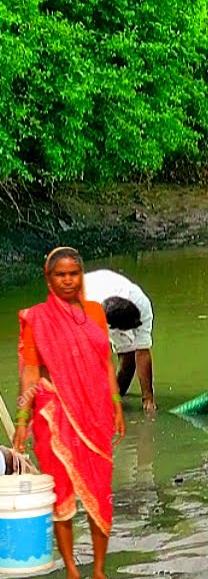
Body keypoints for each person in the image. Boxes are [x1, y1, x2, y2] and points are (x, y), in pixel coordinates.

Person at [13, 247, 124, 579]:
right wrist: (22, 420)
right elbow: (31, 372)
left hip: (96, 414)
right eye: (60, 275)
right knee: (61, 493)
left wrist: (116, 405)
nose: (67, 280)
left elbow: (106, 362)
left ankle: (100, 571)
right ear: (48, 278)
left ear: (81, 275)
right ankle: (72, 570)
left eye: (73, 273)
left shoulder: (96, 312)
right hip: (55, 415)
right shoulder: (38, 318)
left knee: (99, 490)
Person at [83, 269, 157, 414]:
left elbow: (142, 352)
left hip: (108, 297)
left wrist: (148, 398)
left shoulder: (142, 306)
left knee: (129, 354)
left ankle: (117, 394)